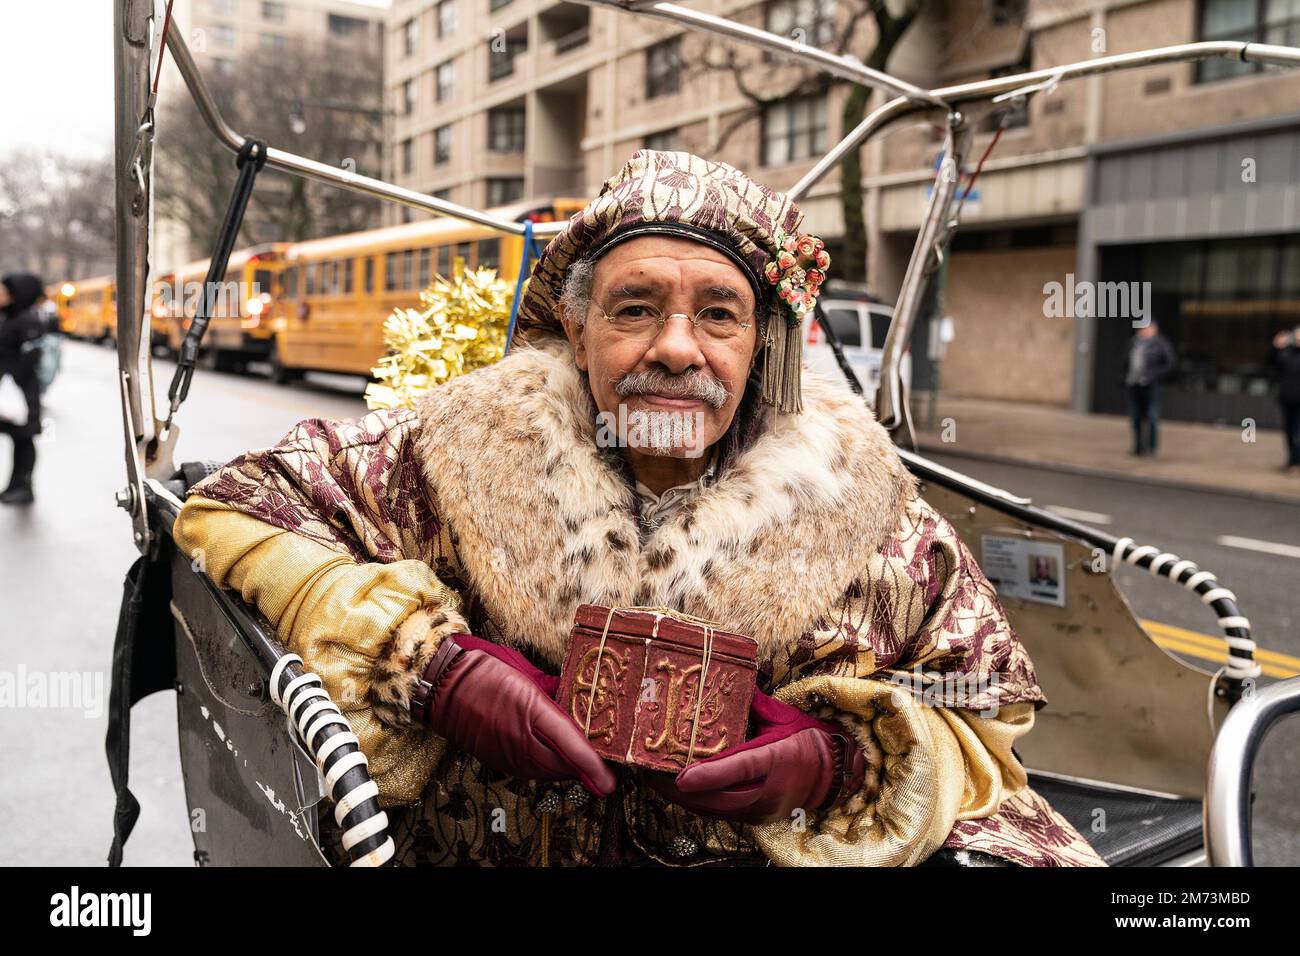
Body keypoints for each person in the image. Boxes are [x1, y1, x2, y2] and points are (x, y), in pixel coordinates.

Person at [173, 149, 1103, 867]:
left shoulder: (873, 516)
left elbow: (985, 721)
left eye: (719, 315)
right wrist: (429, 669)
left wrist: (845, 764)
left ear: (765, 346)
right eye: (634, 309)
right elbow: (232, 509)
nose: (676, 348)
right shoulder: (446, 456)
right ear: (576, 330)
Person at [0, 273, 48, 505]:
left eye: (5, 292)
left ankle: (24, 486)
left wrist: (8, 374)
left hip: (21, 393)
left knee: (24, 439)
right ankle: (15, 485)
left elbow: (29, 360)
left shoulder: (27, 321)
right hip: (13, 392)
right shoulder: (11, 317)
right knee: (19, 439)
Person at [1124, 320, 1176, 456]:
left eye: (1146, 328)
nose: (1143, 331)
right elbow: (1125, 361)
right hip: (1135, 384)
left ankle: (1152, 448)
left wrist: (1154, 375)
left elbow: (1169, 363)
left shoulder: (1161, 344)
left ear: (1154, 329)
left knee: (1152, 417)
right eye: (1141, 328)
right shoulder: (1133, 343)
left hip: (1152, 385)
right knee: (1135, 418)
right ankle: (1138, 447)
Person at [1271, 325, 1300, 474]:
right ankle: (1291, 461)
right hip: (1287, 399)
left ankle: (1296, 462)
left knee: (1298, 433)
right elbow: (1270, 365)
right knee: (1289, 432)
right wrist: (1276, 347)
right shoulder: (1285, 353)